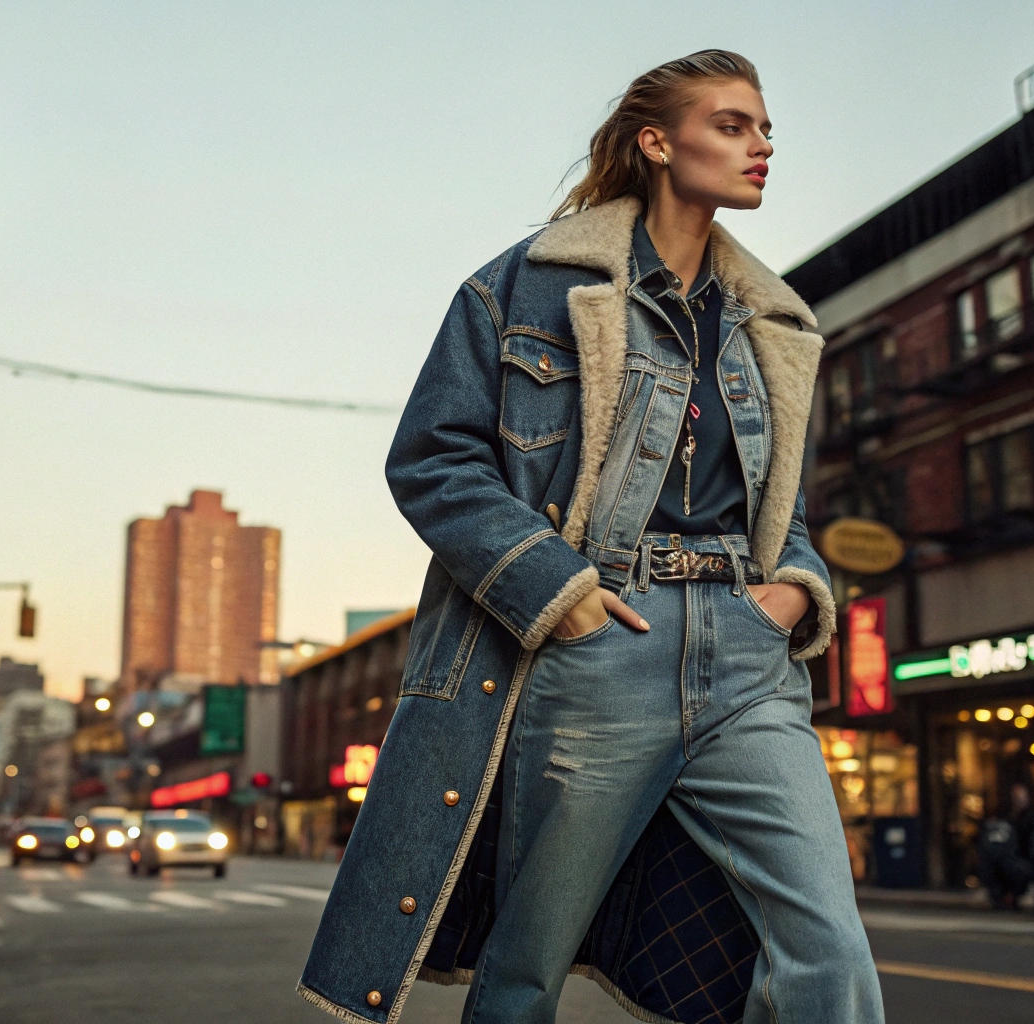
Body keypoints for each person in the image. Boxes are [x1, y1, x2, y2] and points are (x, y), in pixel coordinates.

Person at [299, 51, 880, 1024]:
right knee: (528, 960)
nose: (761, 147)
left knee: (828, 945)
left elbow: (787, 508)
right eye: (733, 125)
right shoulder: (531, 286)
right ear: (657, 142)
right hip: (606, 633)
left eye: (765, 129)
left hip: (746, 649)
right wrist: (557, 595)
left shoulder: (769, 321)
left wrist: (795, 589)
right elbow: (433, 460)